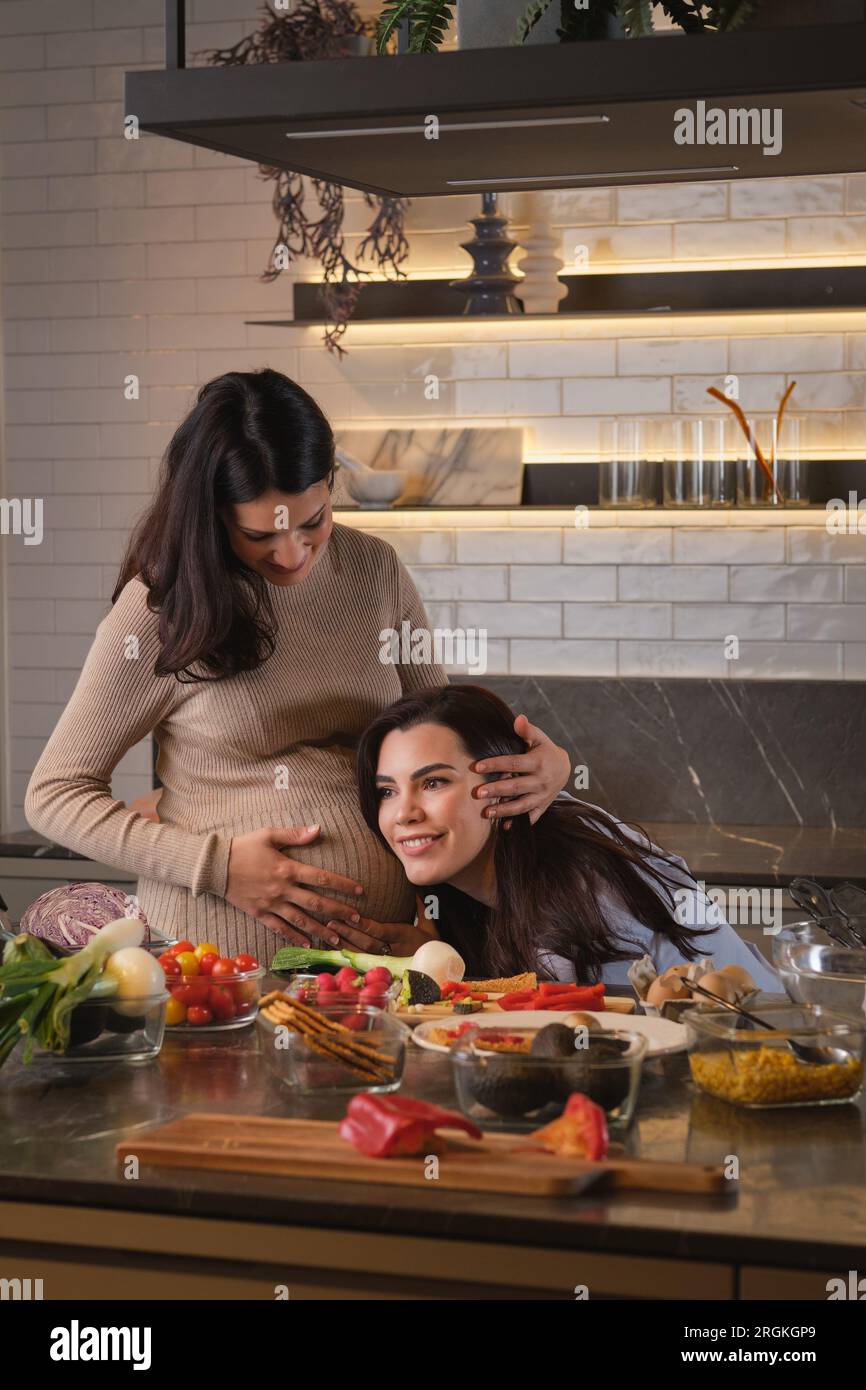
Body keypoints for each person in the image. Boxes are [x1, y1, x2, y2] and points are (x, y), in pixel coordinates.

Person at [24, 371, 571, 963]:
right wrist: (218, 867)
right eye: (260, 534)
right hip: (220, 969)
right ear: (211, 514)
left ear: (332, 483)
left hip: (382, 966)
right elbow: (55, 794)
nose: (292, 554)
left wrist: (549, 769)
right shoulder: (163, 605)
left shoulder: (373, 570)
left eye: (314, 522)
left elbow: (442, 742)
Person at [356, 684, 782, 990]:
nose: (404, 814)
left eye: (433, 783)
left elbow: (595, 1038)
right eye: (387, 791)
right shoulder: (470, 890)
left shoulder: (582, 886)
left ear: (508, 783)